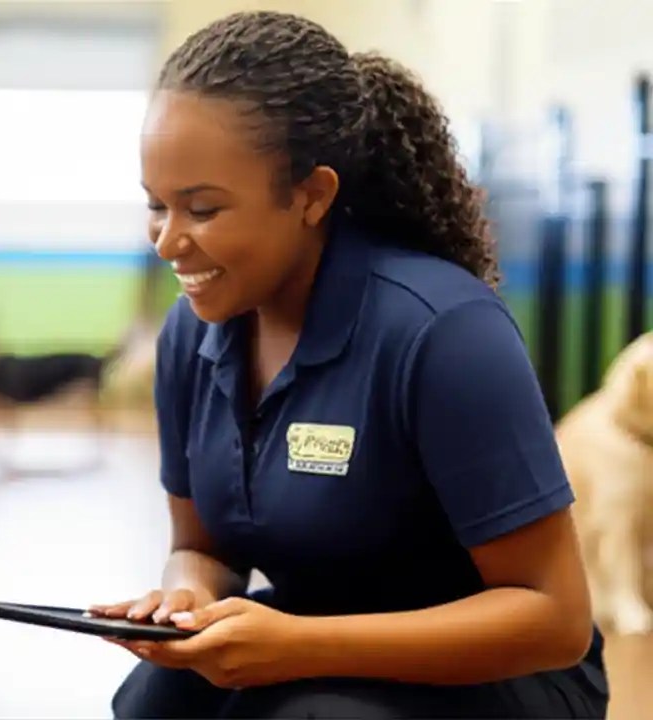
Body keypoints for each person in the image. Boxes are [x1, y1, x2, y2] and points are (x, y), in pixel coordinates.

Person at [89, 10, 608, 719]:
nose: (168, 242)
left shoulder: (443, 333)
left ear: (312, 195)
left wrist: (302, 646)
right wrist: (187, 596)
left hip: (506, 677)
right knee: (157, 699)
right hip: (311, 636)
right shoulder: (193, 334)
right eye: (156, 205)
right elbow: (200, 548)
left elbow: (554, 620)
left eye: (203, 209)